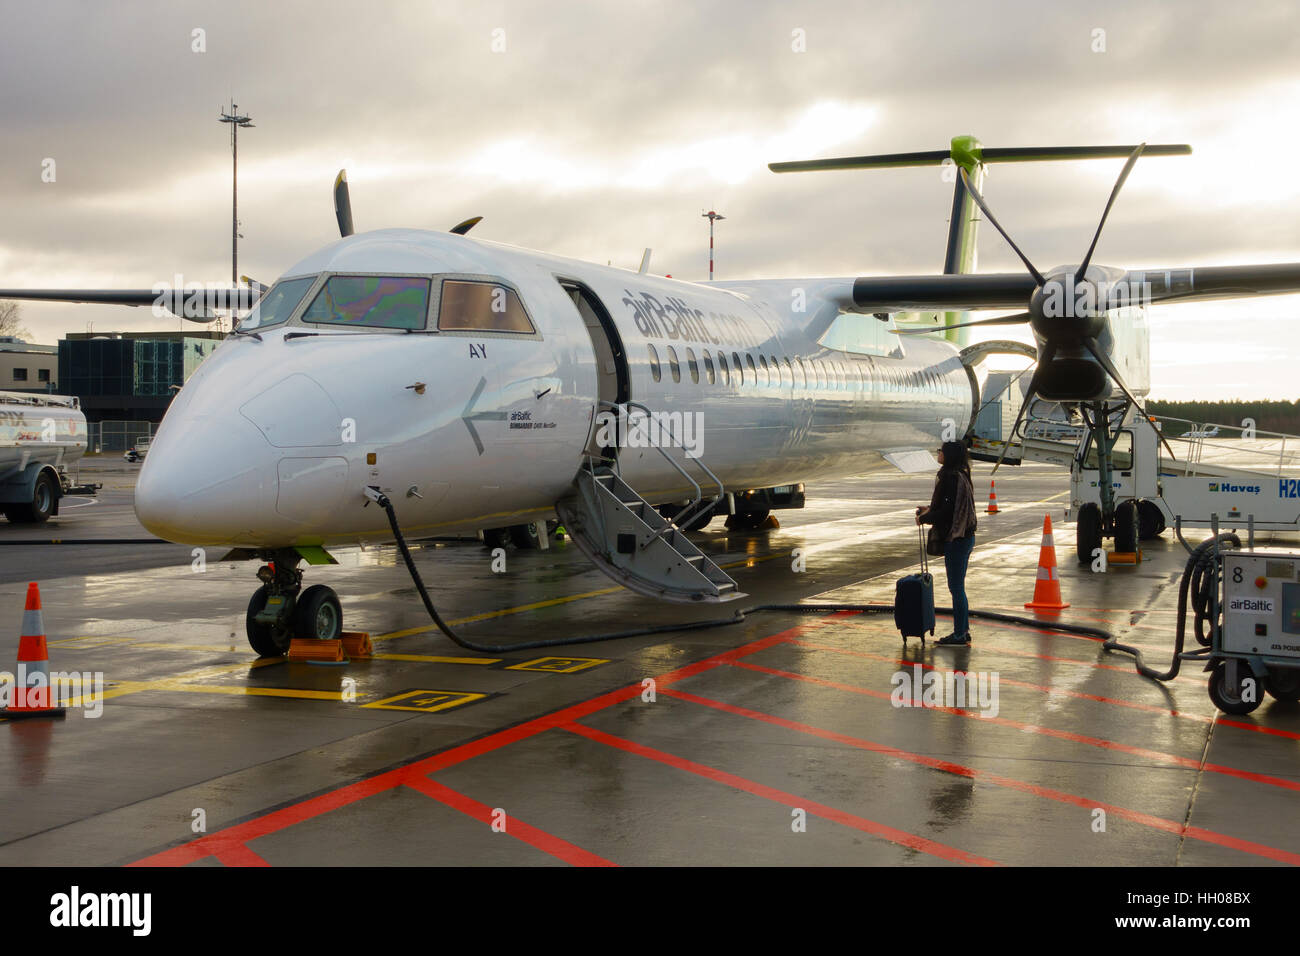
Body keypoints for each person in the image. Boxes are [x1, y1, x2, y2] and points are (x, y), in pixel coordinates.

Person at [915, 440, 978, 645]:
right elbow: (949, 506)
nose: (938, 453)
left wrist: (924, 518)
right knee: (958, 587)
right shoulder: (961, 475)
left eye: (941, 451)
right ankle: (963, 630)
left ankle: (959, 634)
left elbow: (947, 513)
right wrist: (929, 509)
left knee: (956, 588)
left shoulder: (951, 478)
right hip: (965, 537)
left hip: (957, 538)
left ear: (948, 455)